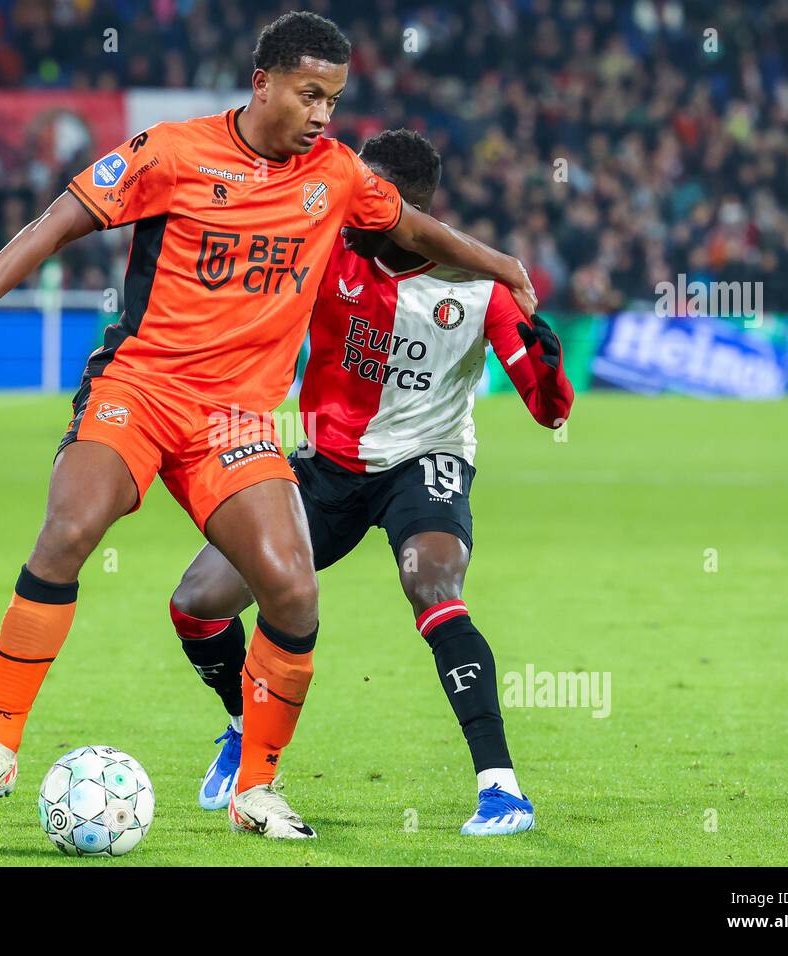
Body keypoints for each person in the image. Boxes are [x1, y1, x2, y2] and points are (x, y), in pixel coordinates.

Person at [0, 11, 536, 840]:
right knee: (73, 525)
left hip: (235, 418)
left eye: (333, 99)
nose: (323, 116)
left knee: (293, 592)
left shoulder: (334, 175)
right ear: (262, 83)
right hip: (141, 386)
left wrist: (499, 262)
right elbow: (55, 223)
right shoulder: (172, 153)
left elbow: (405, 224)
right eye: (308, 95)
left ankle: (256, 788)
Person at [170, 129, 573, 835]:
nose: (351, 203)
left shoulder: (479, 285)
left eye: (368, 194)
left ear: (403, 206)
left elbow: (549, 410)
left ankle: (502, 789)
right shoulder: (326, 251)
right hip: (324, 463)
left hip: (425, 459)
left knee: (433, 584)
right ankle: (243, 730)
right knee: (197, 604)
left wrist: (546, 364)